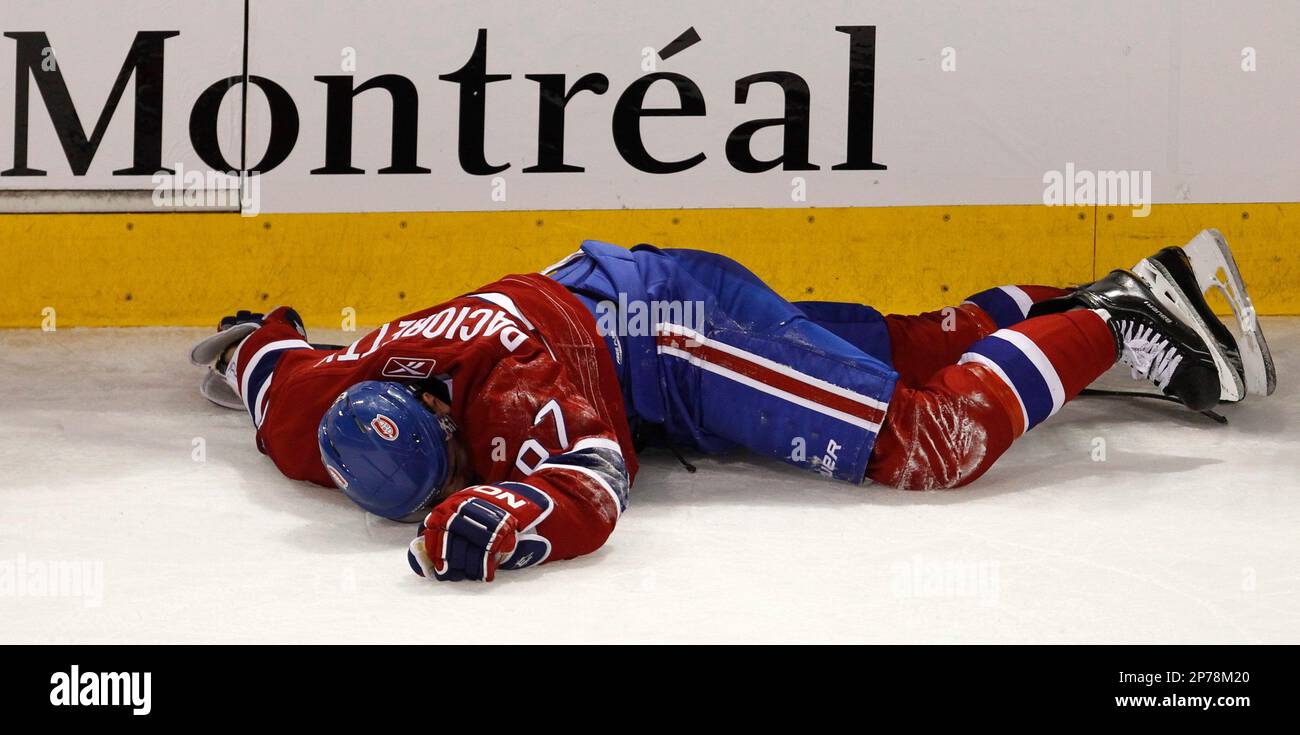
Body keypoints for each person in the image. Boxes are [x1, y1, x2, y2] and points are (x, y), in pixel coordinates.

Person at [190, 229, 1274, 583]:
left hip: (666, 336)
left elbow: (587, 488)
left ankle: (1129, 312)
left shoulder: (525, 400)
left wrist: (504, 526)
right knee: (897, 349)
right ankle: (1068, 306)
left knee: (927, 442)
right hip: (631, 307)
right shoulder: (315, 409)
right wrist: (244, 343)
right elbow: (267, 359)